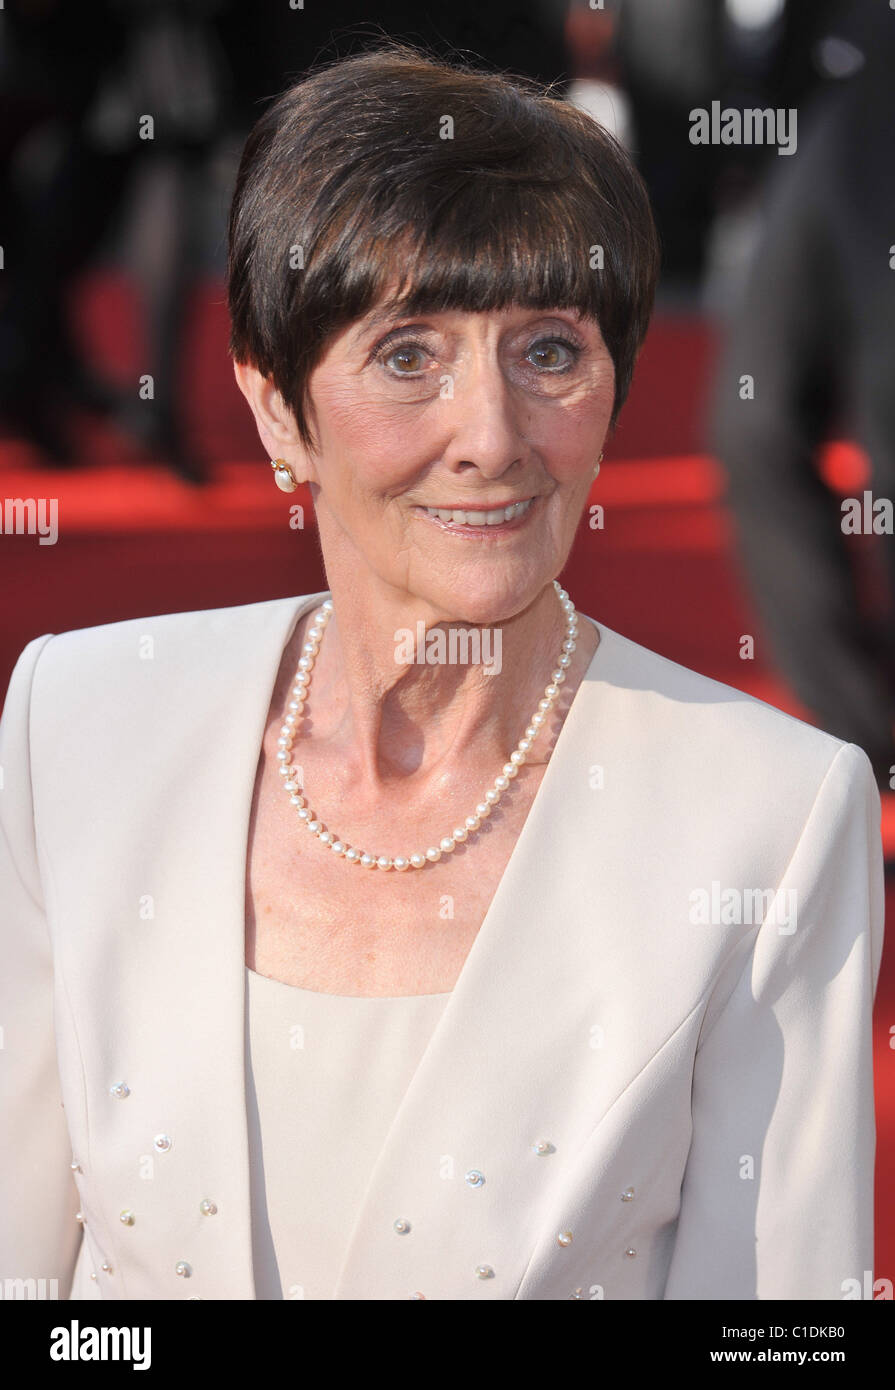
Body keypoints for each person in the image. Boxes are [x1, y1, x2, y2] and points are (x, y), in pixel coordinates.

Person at [0, 41, 883, 1302]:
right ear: (275, 408)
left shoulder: (771, 819)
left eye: (549, 353)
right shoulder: (74, 729)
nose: (492, 438)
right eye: (409, 354)